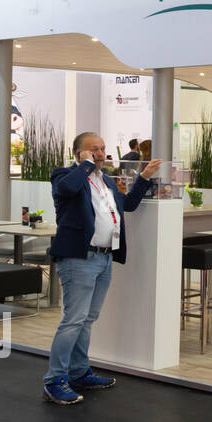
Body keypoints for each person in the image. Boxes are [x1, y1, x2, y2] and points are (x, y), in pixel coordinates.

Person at [42, 133, 161, 405]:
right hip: (79, 259)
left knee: (87, 319)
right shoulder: (64, 175)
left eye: (102, 148)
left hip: (104, 258)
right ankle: (54, 379)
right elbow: (66, 191)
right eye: (93, 149)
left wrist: (144, 177)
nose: (100, 153)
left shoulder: (106, 181)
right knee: (73, 320)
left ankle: (79, 371)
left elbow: (127, 205)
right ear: (78, 153)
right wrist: (85, 165)